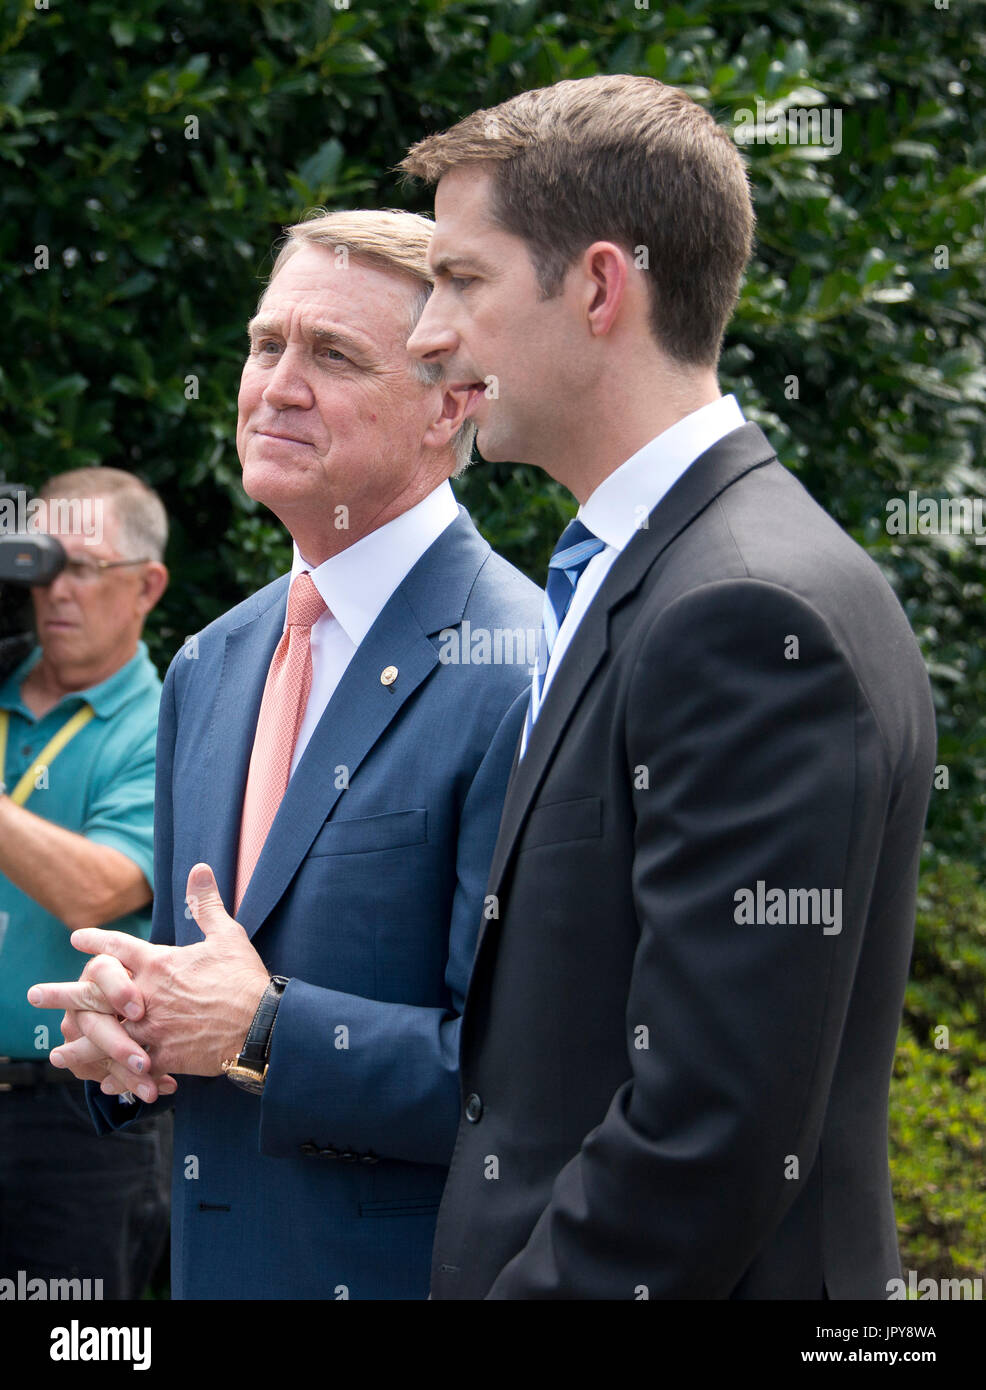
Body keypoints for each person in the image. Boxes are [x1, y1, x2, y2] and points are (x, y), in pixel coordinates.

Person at [399, 74, 938, 1299]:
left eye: (462, 280)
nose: (425, 332)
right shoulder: (660, 569)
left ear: (598, 285)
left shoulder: (746, 613)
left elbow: (709, 1133)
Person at [31, 209, 541, 1300]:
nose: (278, 385)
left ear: (451, 402)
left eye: (335, 355)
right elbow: (196, 980)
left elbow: (533, 1085)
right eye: (267, 345)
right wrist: (126, 1031)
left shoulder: (520, 664)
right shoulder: (208, 664)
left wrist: (264, 1031)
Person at [0, 468, 171, 1298]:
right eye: (41, 564)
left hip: (77, 1118)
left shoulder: (166, 720)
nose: (55, 591)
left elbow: (96, 891)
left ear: (147, 586)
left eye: (85, 568)